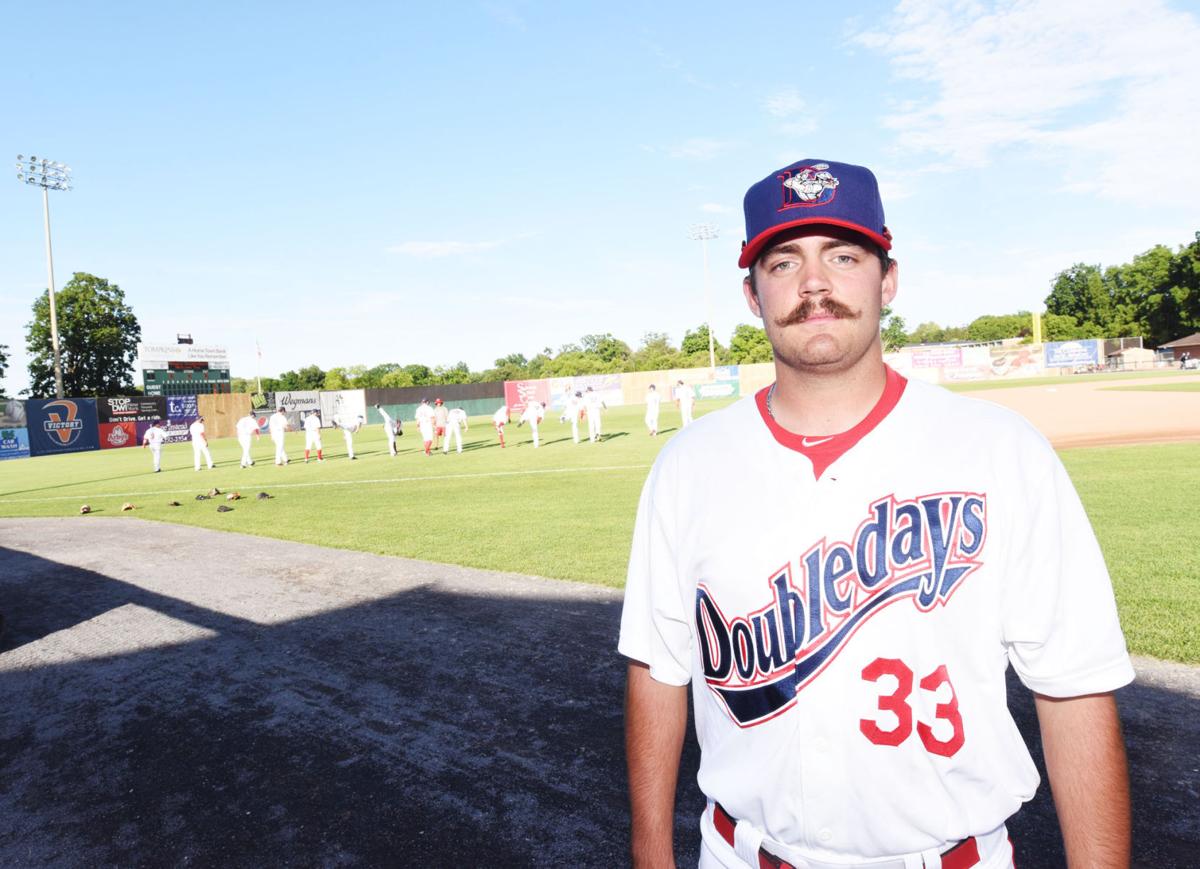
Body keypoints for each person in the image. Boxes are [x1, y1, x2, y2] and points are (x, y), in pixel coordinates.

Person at [620, 158, 1134, 869]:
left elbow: (1074, 687)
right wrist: (651, 853)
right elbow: (659, 667)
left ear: (888, 278)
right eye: (783, 261)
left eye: (843, 255)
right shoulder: (689, 464)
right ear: (751, 293)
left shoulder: (1000, 450)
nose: (814, 285)